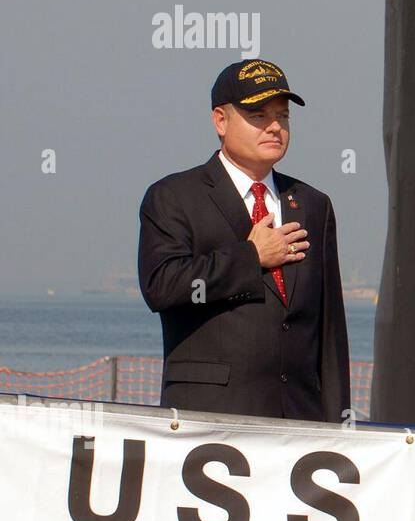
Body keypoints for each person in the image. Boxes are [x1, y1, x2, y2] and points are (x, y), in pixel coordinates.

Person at [137, 59, 350, 422]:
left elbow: (330, 333)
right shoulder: (174, 196)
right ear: (220, 120)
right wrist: (251, 256)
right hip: (207, 421)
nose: (274, 127)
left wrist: (339, 429)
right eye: (258, 115)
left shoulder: (314, 205)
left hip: (300, 422)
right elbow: (162, 286)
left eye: (282, 117)